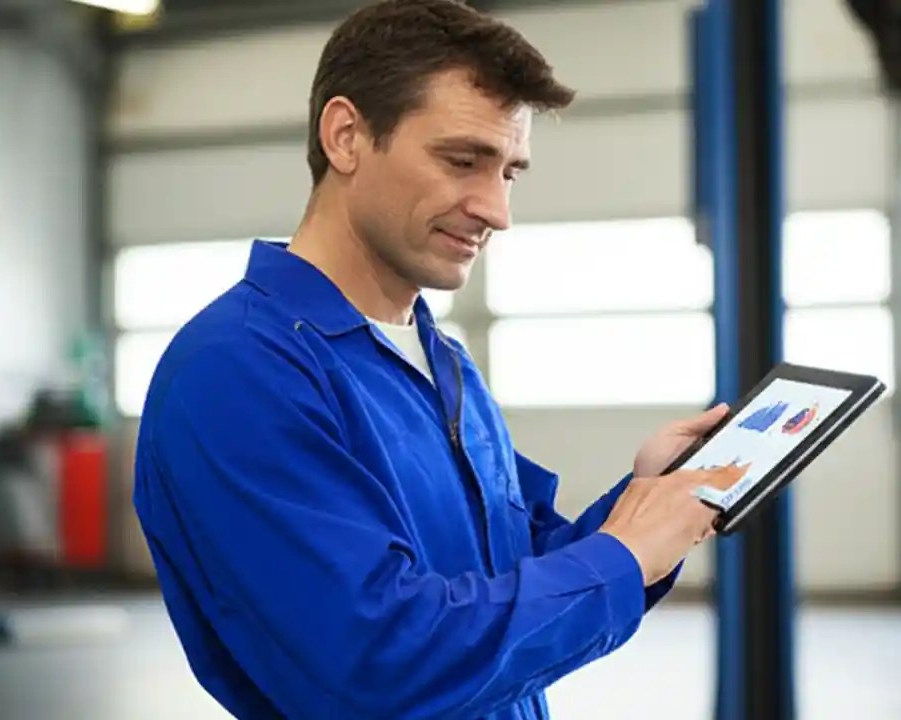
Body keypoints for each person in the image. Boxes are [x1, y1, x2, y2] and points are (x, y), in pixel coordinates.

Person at [131, 1, 744, 718]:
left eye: (509, 173)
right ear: (346, 136)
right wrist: (625, 555)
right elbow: (379, 660)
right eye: (462, 161)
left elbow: (509, 574)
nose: (497, 211)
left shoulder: (441, 361)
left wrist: (641, 504)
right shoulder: (236, 374)